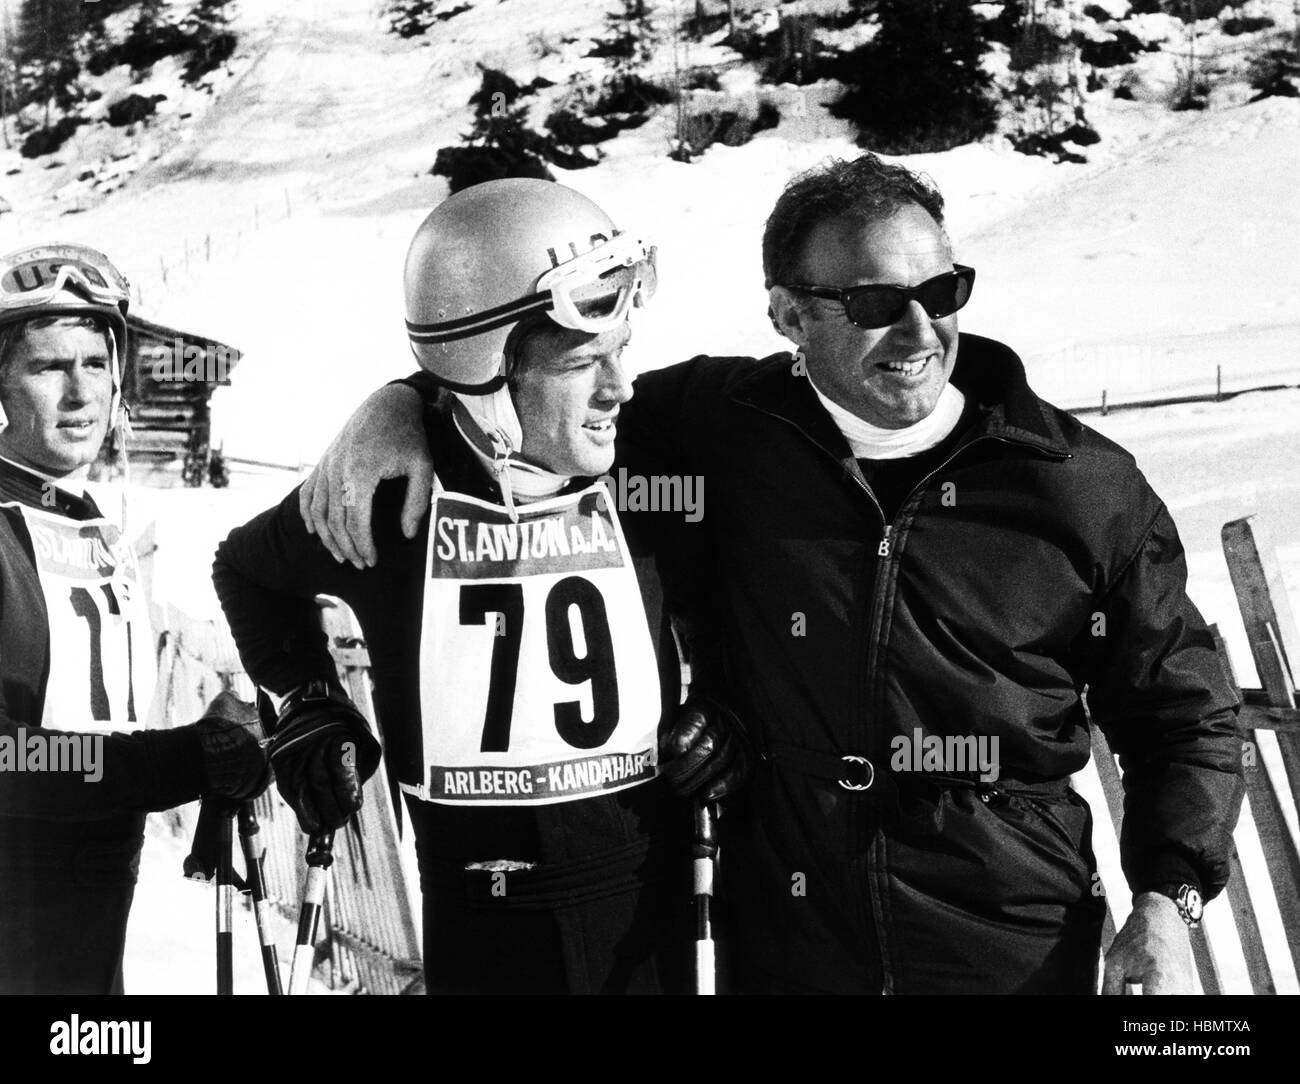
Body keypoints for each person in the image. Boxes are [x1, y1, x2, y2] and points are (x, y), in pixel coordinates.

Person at [300, 155, 1246, 996]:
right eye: (876, 303)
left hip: (1011, 952)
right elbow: (539, 382)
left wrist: (1167, 902)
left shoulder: (1081, 488)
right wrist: (406, 402)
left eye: (944, 290)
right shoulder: (721, 427)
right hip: (792, 949)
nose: (920, 330)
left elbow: (1184, 716)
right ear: (789, 313)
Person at [212, 180, 746, 995]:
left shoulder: (655, 463)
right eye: (581, 363)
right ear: (488, 374)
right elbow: (246, 571)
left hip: (651, 915)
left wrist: (722, 698)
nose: (619, 388)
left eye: (622, 347)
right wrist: (309, 699)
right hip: (479, 931)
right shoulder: (396, 499)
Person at [0, 243, 269, 995]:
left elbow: (95, 738)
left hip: (89, 927)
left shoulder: (85, 520)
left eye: (95, 364)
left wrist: (210, 776)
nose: (79, 393)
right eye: (48, 367)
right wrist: (183, 762)